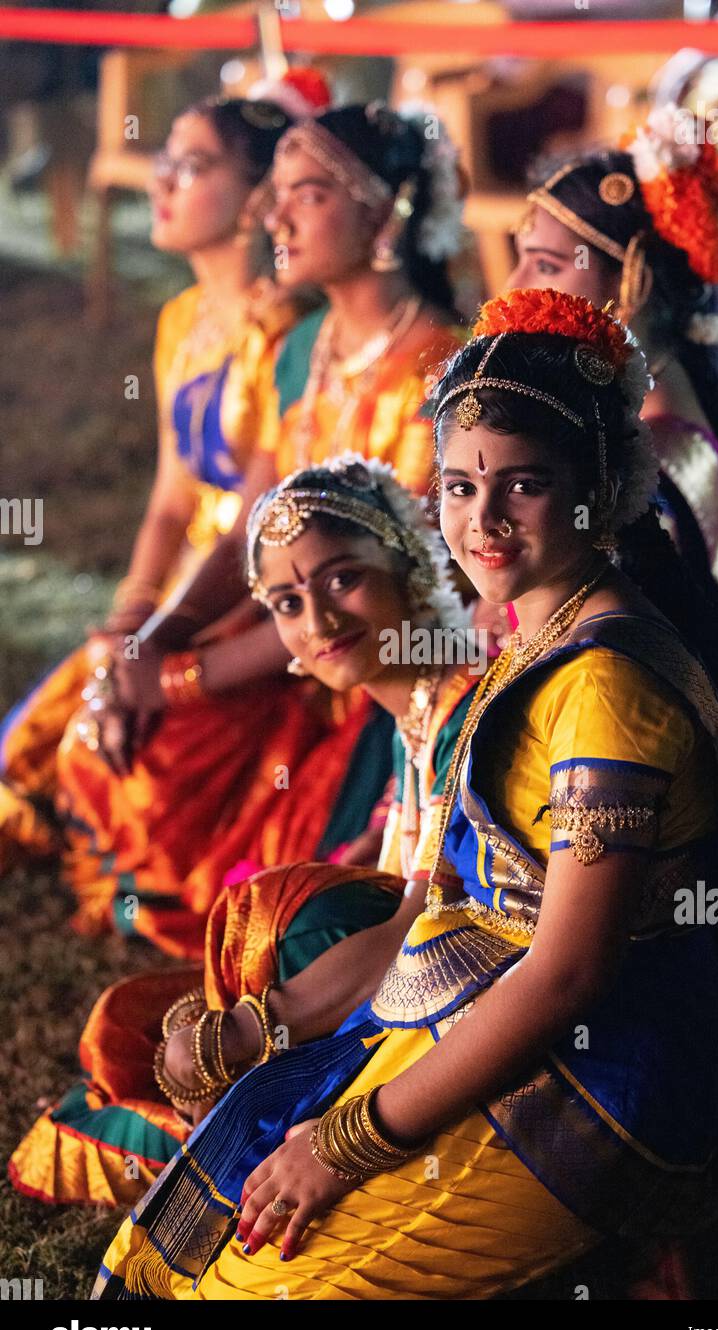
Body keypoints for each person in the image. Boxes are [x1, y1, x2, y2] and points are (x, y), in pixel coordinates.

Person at [94, 289, 718, 1302]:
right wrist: (276, 1039)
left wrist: (347, 1143)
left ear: (598, 486)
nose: (482, 520)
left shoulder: (604, 687)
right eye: (459, 486)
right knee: (200, 1247)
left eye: (523, 485)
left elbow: (567, 978)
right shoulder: (538, 633)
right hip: (473, 1003)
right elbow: (440, 906)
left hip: (597, 1087)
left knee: (258, 1287)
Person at [14, 102, 466, 957]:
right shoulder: (305, 348)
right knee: (103, 721)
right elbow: (246, 530)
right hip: (270, 631)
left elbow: (379, 603)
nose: (270, 215)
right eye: (272, 194)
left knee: (172, 770)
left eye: (303, 194)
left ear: (384, 215)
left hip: (358, 676)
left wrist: (184, 679)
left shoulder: (436, 371)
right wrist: (157, 639)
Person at [9, 457, 478, 1208]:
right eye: (287, 602)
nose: (318, 622)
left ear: (409, 564)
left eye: (343, 579)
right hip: (404, 976)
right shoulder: (411, 707)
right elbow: (397, 850)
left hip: (468, 1005)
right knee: (137, 1025)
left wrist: (249, 1035)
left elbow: (418, 931)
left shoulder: (461, 703)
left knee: (290, 921)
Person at [0, 84, 321, 924]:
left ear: (258, 200)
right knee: (30, 738)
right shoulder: (183, 319)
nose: (162, 179)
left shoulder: (291, 335)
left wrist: (162, 640)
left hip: (250, 605)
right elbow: (170, 502)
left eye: (194, 163)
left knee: (109, 758)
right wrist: (130, 615)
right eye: (165, 157)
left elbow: (269, 524)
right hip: (183, 595)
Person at [507, 107, 718, 664]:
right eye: (521, 261)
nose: (513, 288)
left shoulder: (649, 457)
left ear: (634, 280)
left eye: (547, 266)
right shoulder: (629, 408)